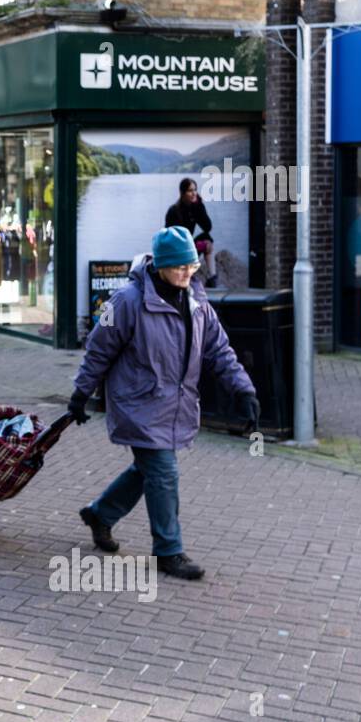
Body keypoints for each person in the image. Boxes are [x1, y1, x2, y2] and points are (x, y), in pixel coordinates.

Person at [67, 226, 260, 580]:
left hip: (174, 405)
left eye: (192, 265)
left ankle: (101, 514)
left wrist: (243, 391)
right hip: (137, 404)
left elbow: (218, 350)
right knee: (164, 472)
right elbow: (99, 348)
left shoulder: (198, 302)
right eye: (180, 267)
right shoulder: (127, 301)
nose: (188, 272)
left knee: (149, 471)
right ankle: (168, 551)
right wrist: (81, 393)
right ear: (160, 266)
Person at [165, 178, 217, 287]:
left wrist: (200, 206)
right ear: (182, 193)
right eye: (190, 191)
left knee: (207, 239)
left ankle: (212, 278)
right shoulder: (174, 211)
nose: (194, 193)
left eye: (195, 190)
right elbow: (170, 240)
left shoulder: (195, 208)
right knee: (201, 244)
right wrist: (194, 246)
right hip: (177, 252)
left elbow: (207, 227)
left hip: (189, 247)